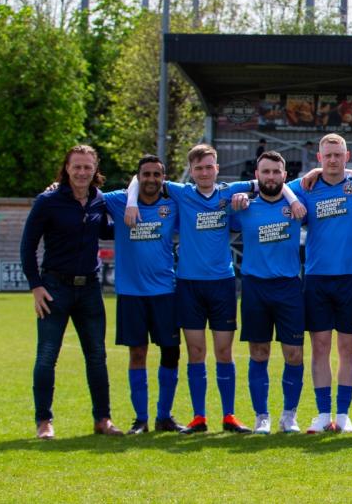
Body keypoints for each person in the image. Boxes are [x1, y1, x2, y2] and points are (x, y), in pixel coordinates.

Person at [126, 143, 302, 435]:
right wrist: (132, 202)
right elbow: (141, 178)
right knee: (196, 351)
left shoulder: (228, 193)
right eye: (198, 168)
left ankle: (229, 416)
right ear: (191, 172)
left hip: (222, 283)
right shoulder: (181, 193)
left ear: (217, 168)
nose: (204, 172)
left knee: (224, 351)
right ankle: (199, 417)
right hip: (189, 284)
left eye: (209, 167)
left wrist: (290, 196)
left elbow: (272, 181)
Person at [21, 145, 120, 439]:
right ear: (66, 168)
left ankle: (102, 419)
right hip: (54, 289)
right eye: (76, 166)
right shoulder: (47, 201)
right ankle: (44, 422)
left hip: (89, 288)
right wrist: (36, 286)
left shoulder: (98, 201)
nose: (81, 172)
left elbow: (105, 231)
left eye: (87, 167)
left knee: (97, 356)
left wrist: (140, 213)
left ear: (95, 170)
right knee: (47, 356)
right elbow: (28, 246)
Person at [287, 134, 352, 434]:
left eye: (338, 154)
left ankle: (344, 414)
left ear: (347, 156)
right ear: (319, 158)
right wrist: (308, 176)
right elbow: (277, 187)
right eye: (328, 155)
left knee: (348, 348)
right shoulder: (305, 187)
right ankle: (324, 414)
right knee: (320, 346)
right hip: (317, 277)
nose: (333, 159)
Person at [103, 155, 182, 435]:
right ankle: (140, 419)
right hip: (131, 293)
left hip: (165, 292)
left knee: (171, 353)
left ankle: (164, 416)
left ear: (163, 178)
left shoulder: (173, 204)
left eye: (156, 175)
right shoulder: (118, 201)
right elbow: (90, 192)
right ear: (138, 177)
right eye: (145, 174)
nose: (151, 179)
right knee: (137, 353)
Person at [231, 151, 307, 434]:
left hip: (288, 287)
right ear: (257, 175)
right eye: (266, 172)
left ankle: (289, 415)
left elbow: (317, 175)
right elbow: (219, 195)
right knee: (259, 352)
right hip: (254, 287)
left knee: (294, 354)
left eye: (276, 172)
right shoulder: (243, 207)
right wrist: (240, 196)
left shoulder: (298, 201)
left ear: (285, 176)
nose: (271, 177)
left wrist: (295, 198)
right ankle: (261, 416)